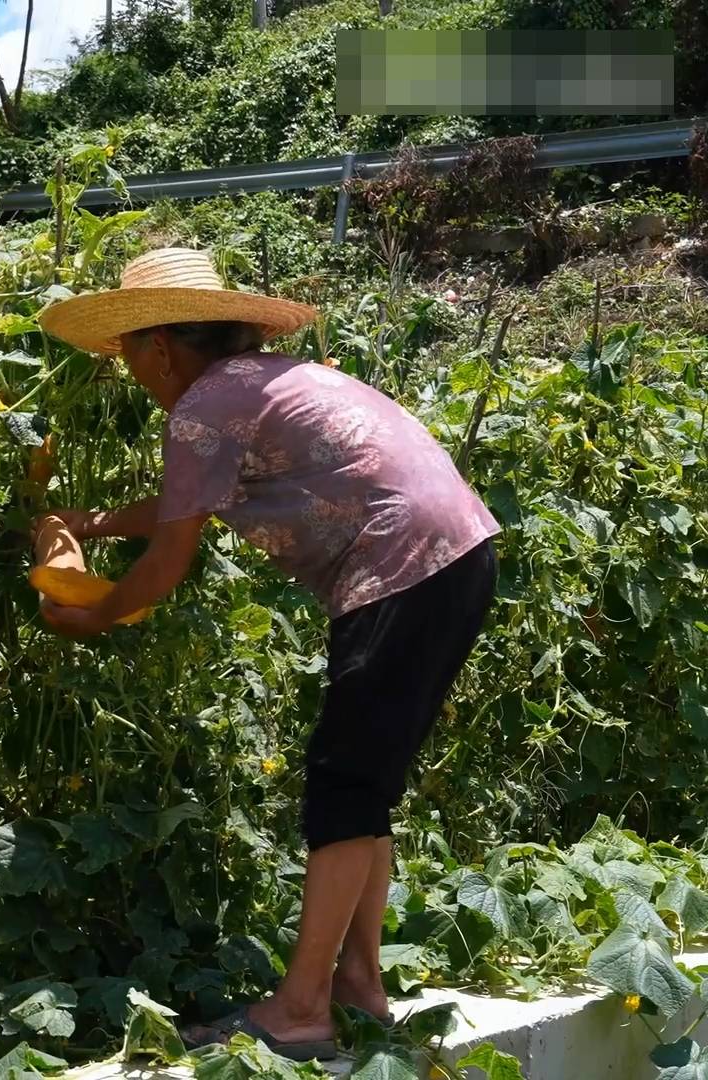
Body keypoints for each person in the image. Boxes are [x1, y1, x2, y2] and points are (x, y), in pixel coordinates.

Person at [33, 248, 500, 1061]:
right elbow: (189, 509)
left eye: (130, 353)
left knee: (343, 786)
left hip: (399, 563)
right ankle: (357, 980)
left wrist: (91, 614)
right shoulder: (264, 382)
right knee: (365, 783)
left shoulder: (204, 406)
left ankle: (302, 1010)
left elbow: (167, 565)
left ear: (164, 347)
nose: (130, 370)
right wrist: (96, 521)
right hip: (454, 552)